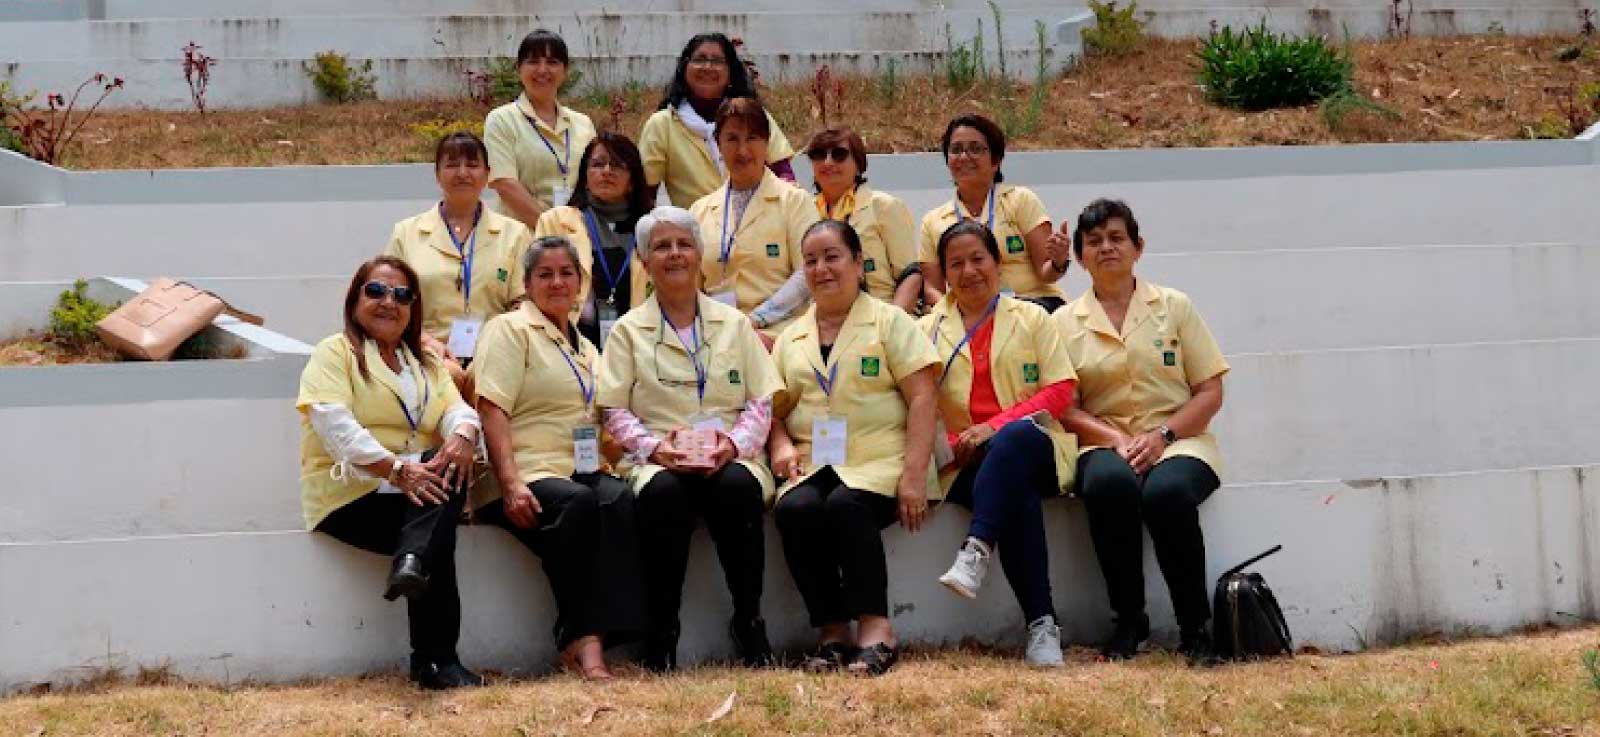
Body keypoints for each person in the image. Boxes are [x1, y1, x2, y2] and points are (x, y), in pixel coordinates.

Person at [594, 205, 783, 672]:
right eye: (662, 247)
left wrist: (732, 446)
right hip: (657, 457)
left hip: (729, 452)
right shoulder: (626, 331)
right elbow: (613, 410)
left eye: (683, 244)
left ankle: (749, 620)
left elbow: (761, 402)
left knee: (737, 487)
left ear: (699, 255)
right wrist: (657, 449)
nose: (674, 254)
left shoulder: (735, 324)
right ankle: (662, 631)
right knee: (664, 494)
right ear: (645, 261)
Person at [296, 256, 483, 689]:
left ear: (413, 307)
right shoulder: (334, 353)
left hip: (410, 495)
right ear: (355, 300)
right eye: (376, 291)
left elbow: (457, 410)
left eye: (402, 295)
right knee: (437, 516)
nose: (388, 302)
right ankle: (436, 660)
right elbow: (335, 427)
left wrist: (463, 435)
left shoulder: (424, 361)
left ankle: (413, 563)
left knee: (445, 472)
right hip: (351, 494)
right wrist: (397, 470)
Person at [1055, 199, 1229, 664]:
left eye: (1117, 238)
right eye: (1094, 241)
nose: (1106, 248)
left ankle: (1195, 628)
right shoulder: (1063, 323)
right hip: (1104, 443)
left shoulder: (1174, 307)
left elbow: (1209, 391)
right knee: (1109, 485)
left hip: (1180, 441)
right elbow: (1065, 408)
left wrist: (1162, 438)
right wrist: (1116, 440)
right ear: (1080, 256)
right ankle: (1129, 621)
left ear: (1138, 247)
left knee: (1166, 494)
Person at [469, 236, 647, 680]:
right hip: (524, 470)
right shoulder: (508, 329)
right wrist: (511, 483)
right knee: (578, 503)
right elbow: (491, 407)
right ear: (527, 284)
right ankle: (582, 644)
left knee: (620, 499)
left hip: (577, 468)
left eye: (566, 273)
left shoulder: (585, 347)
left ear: (580, 284)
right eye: (544, 274)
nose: (556, 282)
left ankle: (616, 636)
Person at [768, 220, 940, 676]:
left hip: (883, 462)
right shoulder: (791, 337)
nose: (821, 268)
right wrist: (780, 444)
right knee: (796, 510)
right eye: (811, 261)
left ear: (859, 264)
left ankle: (876, 630)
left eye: (832, 257)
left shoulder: (890, 322)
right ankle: (832, 632)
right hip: (815, 464)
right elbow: (774, 409)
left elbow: (923, 397)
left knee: (847, 505)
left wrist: (914, 476)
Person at [920, 220, 1079, 667]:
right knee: (1015, 495)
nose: (969, 271)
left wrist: (994, 427)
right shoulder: (925, 330)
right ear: (944, 274)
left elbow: (1060, 390)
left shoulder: (1033, 317)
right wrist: (957, 442)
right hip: (965, 461)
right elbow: (918, 404)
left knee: (1013, 439)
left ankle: (976, 549)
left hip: (1035, 446)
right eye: (956, 264)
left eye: (978, 259)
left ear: (998, 262)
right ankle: (1043, 627)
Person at [383, 131, 533, 386]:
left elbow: (524, 302)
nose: (462, 173)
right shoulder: (406, 233)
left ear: (487, 174)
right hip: (421, 351)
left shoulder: (515, 234)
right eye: (452, 165)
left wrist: (493, 346)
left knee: (482, 380)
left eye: (472, 165)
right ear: (437, 174)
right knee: (447, 378)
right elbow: (389, 301)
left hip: (496, 354)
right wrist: (425, 342)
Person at [691, 97, 820, 340]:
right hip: (716, 335)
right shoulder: (699, 211)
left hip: (780, 334)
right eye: (732, 139)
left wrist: (756, 320)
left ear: (767, 142)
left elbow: (807, 273)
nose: (742, 150)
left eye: (752, 138)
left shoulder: (795, 201)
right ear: (718, 144)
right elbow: (692, 286)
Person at [918, 114, 1070, 312]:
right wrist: (954, 316)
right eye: (956, 150)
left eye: (975, 149)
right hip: (971, 314)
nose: (964, 157)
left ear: (995, 161)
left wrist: (1058, 261)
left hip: (1032, 306)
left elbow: (1046, 273)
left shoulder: (1021, 200)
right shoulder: (933, 221)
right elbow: (932, 288)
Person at [639, 32, 796, 208]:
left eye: (717, 61)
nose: (707, 67)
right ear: (684, 68)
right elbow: (645, 193)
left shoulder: (754, 116)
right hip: (694, 223)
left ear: (731, 72)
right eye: (699, 59)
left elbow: (784, 176)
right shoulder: (662, 124)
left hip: (758, 220)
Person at [532, 132, 656, 349]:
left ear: (632, 180)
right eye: (598, 164)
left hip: (639, 341)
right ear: (585, 178)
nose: (606, 171)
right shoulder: (555, 222)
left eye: (617, 165)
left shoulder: (653, 227)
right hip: (569, 339)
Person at [484, 29, 597, 227]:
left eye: (552, 62)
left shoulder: (583, 124)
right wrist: (551, 231)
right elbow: (505, 184)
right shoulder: (501, 120)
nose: (542, 70)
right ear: (519, 69)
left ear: (565, 71)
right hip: (521, 235)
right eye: (533, 62)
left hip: (578, 232)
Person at [805, 127, 922, 313]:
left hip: (881, 315)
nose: (828, 162)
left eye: (839, 155)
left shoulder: (884, 206)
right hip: (823, 320)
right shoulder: (802, 211)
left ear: (858, 163)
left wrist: (892, 324)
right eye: (818, 155)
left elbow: (911, 276)